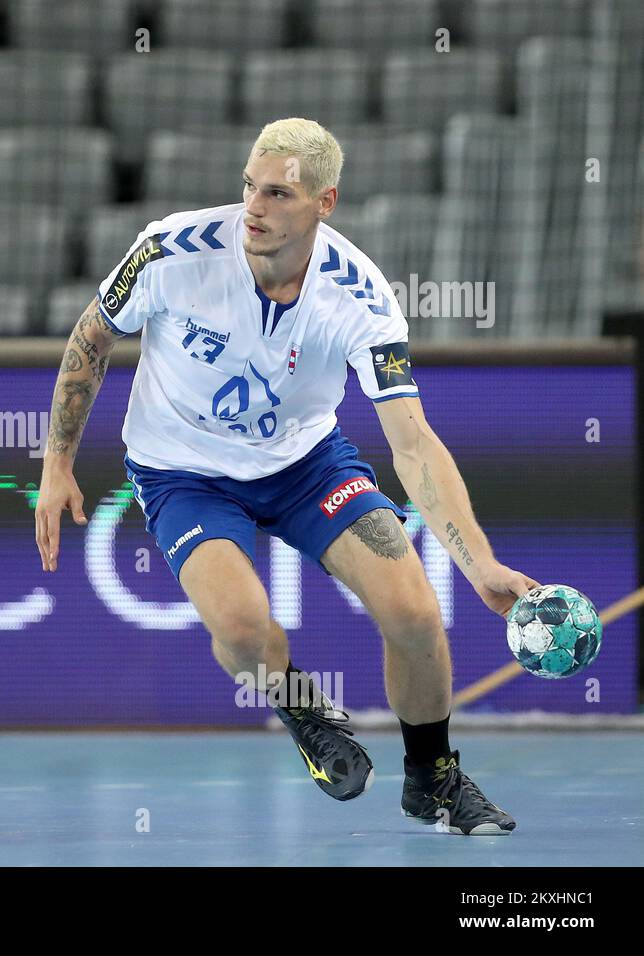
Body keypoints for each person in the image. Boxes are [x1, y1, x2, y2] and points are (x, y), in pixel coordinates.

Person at [35, 118, 536, 836]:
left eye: (277, 193)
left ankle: (433, 779)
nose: (254, 209)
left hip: (306, 465)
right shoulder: (173, 251)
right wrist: (56, 464)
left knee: (417, 615)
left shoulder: (360, 298)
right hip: (183, 470)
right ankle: (302, 708)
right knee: (242, 633)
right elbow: (93, 333)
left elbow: (414, 443)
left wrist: (478, 562)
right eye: (248, 186)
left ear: (324, 203)